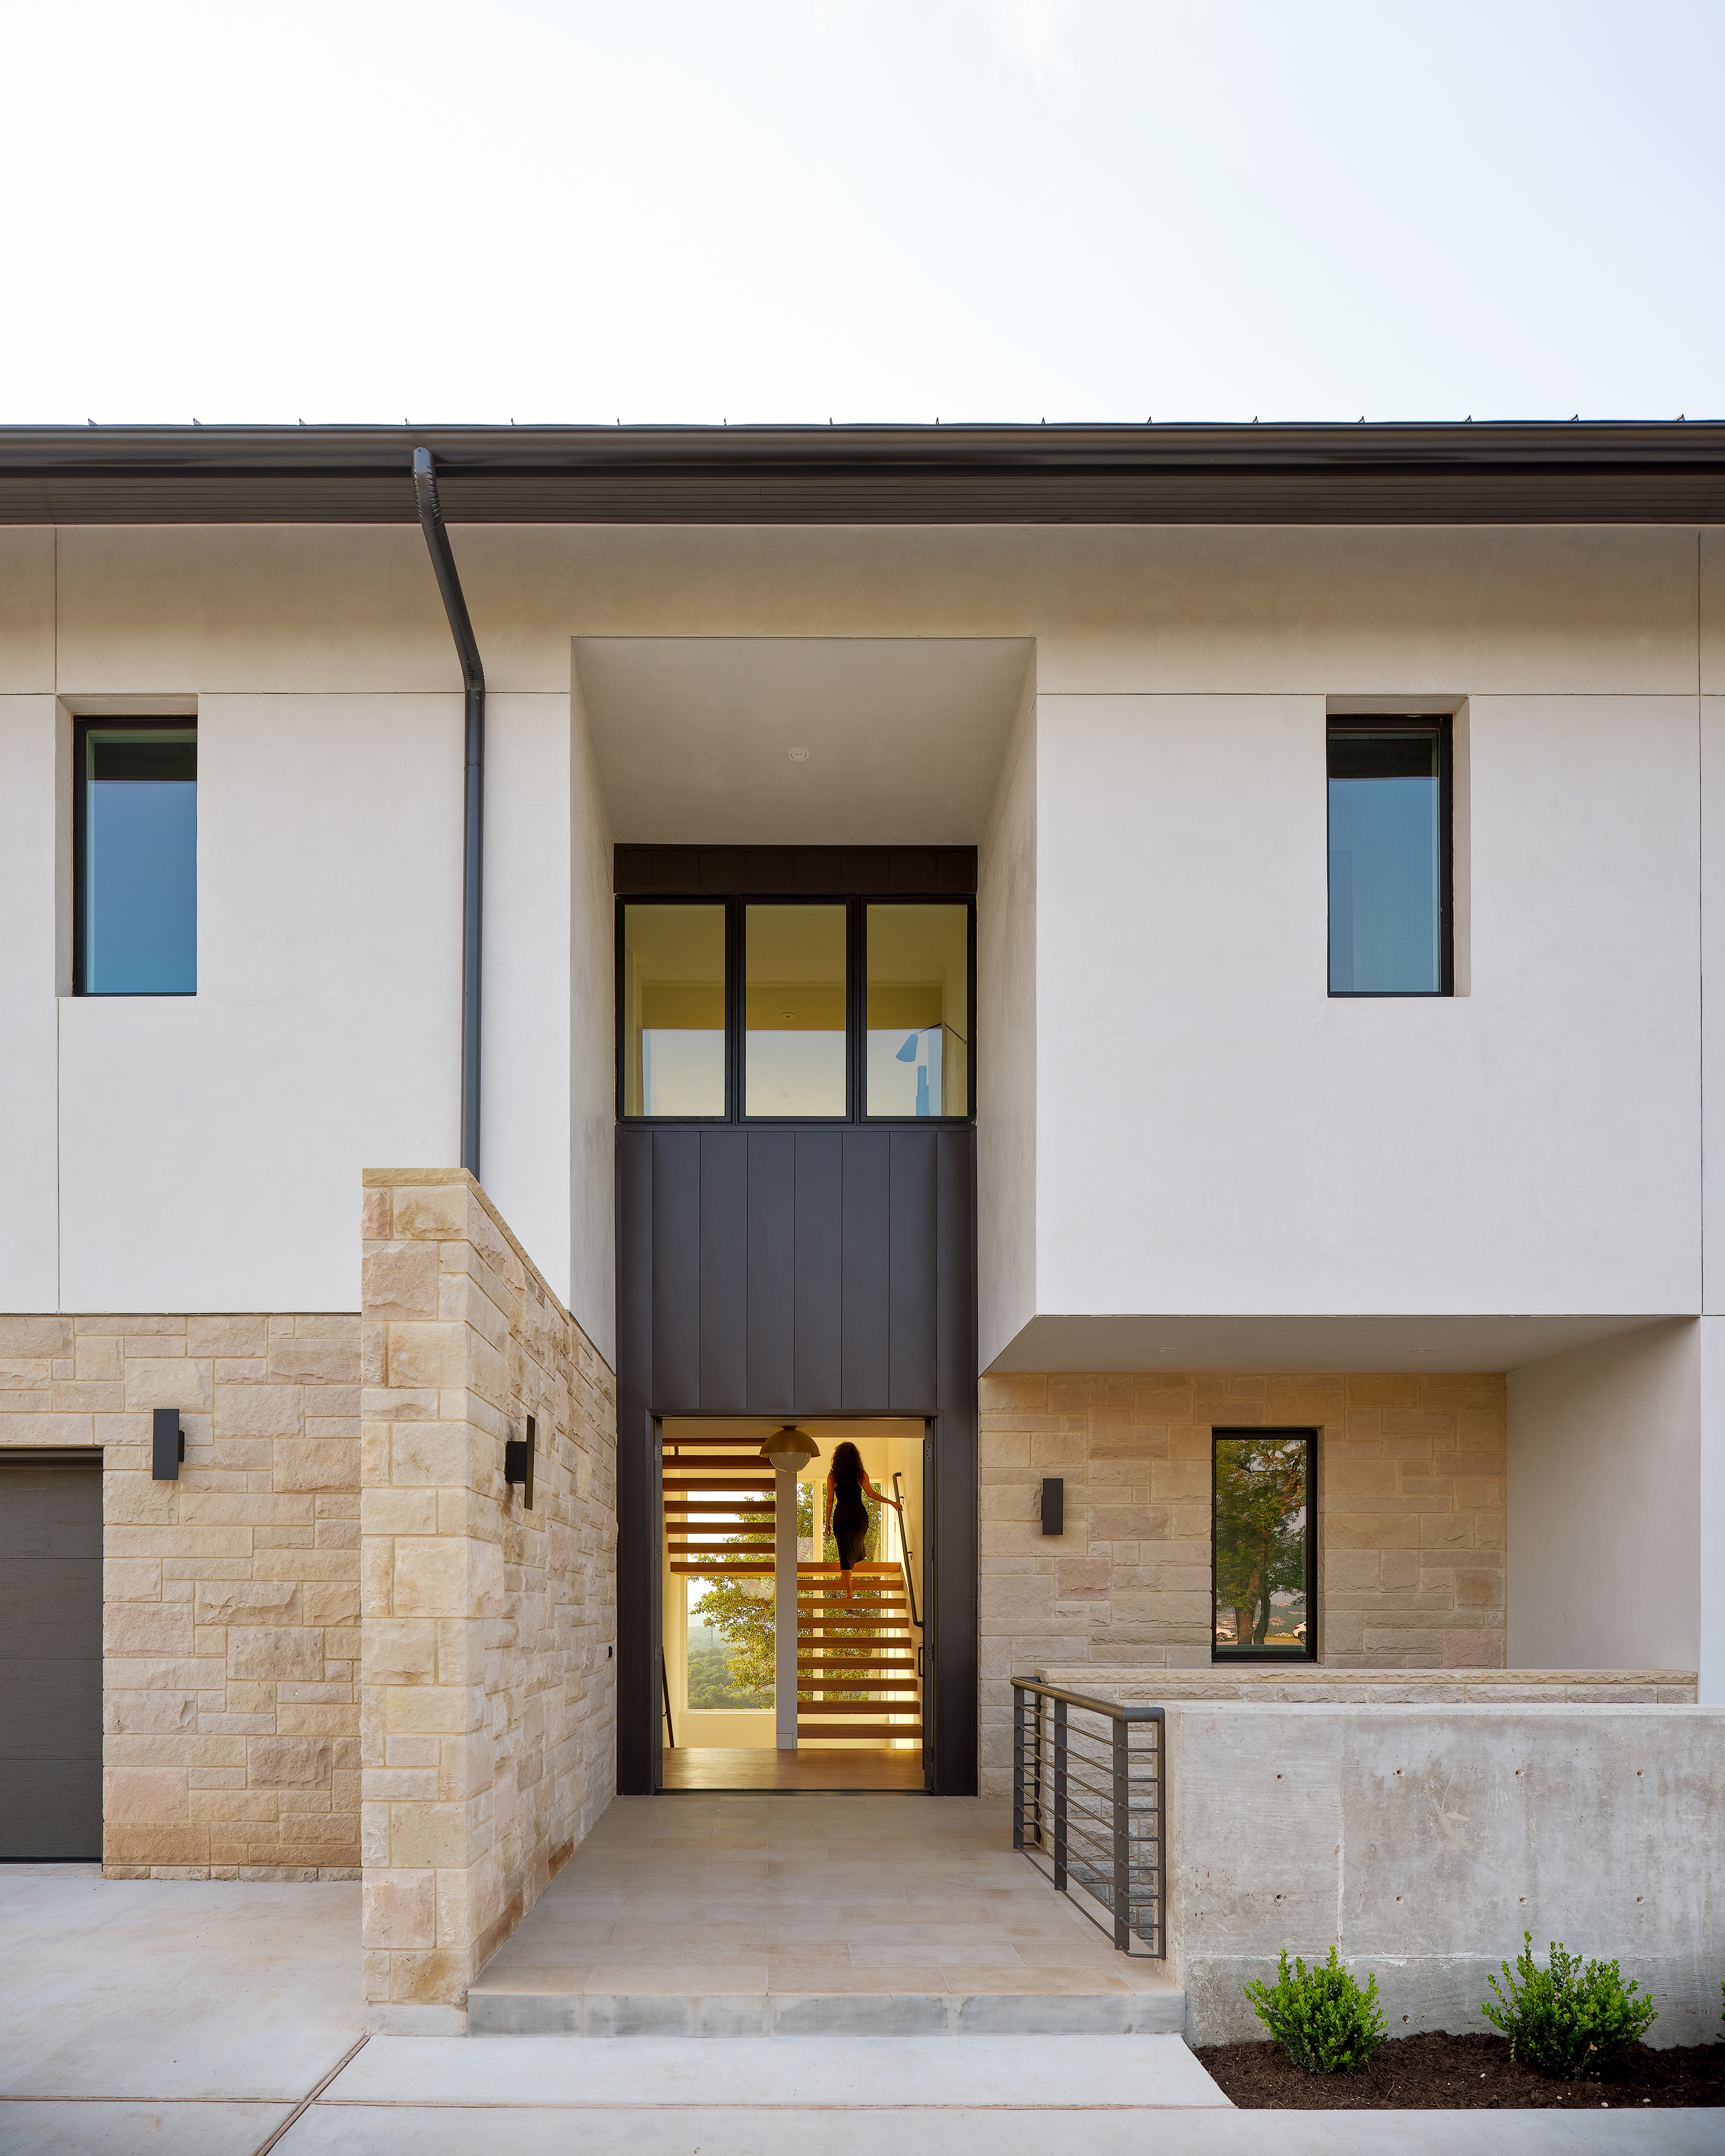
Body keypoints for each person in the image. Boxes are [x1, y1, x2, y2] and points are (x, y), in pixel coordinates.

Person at [823, 1440, 902, 1603]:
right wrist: (891, 1502)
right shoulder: (861, 1475)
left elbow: (830, 1501)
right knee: (853, 1546)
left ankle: (849, 1589)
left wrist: (827, 1523)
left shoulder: (833, 1476)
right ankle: (846, 1573)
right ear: (855, 1458)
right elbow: (871, 1494)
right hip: (858, 1517)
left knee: (844, 1551)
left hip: (842, 1516)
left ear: (837, 1458)